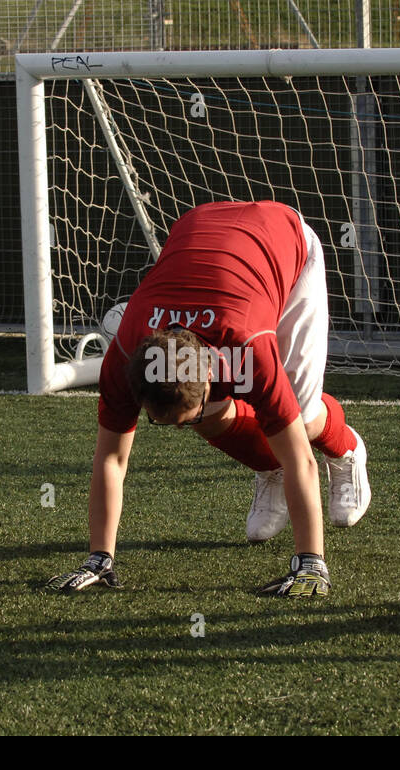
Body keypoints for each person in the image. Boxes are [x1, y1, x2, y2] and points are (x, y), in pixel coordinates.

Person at [46, 201, 371, 596]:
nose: (178, 431)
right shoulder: (128, 351)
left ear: (214, 373)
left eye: (183, 418)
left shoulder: (247, 346)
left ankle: (346, 447)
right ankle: (267, 466)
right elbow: (111, 458)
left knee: (298, 419)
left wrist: (310, 563)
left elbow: (300, 456)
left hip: (285, 244)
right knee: (213, 415)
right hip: (203, 233)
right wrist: (99, 556)